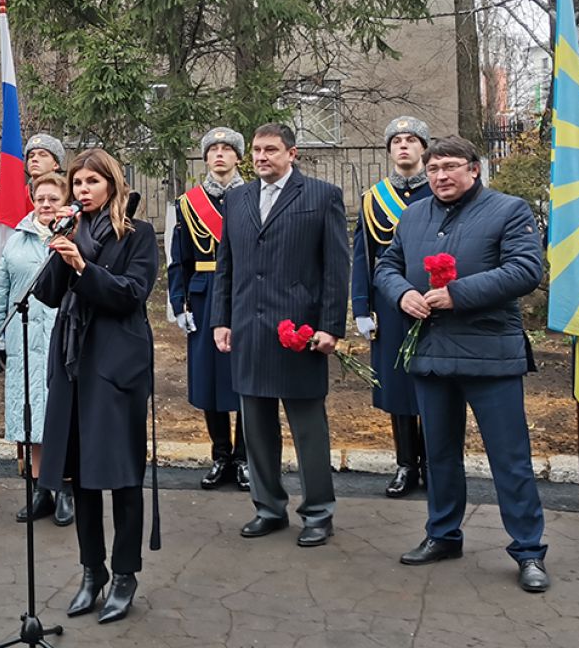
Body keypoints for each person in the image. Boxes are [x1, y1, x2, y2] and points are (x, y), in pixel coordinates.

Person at [374, 136, 548, 593]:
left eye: (450, 167)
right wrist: (401, 293)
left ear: (475, 169)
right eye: (433, 169)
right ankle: (443, 534)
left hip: (490, 356)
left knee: (510, 460)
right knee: (441, 455)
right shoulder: (413, 216)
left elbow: (526, 270)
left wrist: (458, 294)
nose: (440, 176)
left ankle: (528, 550)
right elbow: (386, 266)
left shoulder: (509, 210)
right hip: (431, 356)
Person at [34, 148, 159, 625]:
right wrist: (63, 252)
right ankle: (92, 571)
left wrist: (85, 268)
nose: (83, 190)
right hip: (73, 365)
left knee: (122, 473)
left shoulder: (138, 235)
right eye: (77, 183)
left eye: (92, 182)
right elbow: (47, 295)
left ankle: (125, 574)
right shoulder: (72, 230)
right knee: (81, 473)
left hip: (117, 366)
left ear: (112, 185)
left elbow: (131, 293)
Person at [212, 123, 349, 548]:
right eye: (256, 150)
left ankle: (318, 513)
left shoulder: (321, 196)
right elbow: (226, 265)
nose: (261, 157)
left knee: (308, 429)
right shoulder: (237, 198)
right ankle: (268, 507)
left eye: (271, 149)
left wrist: (330, 327)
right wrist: (222, 318)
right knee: (255, 427)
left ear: (292, 154)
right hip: (249, 331)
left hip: (300, 333)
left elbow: (335, 267)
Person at [0, 172, 74, 526]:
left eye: (54, 198)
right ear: (32, 199)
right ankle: (41, 491)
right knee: (31, 416)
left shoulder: (74, 234)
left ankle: (65, 488)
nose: (47, 204)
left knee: (60, 417)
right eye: (41, 198)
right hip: (23, 342)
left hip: (60, 339)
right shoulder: (16, 240)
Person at [352, 117, 432, 497]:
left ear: (423, 148)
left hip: (434, 300)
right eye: (396, 141)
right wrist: (361, 308)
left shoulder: (440, 190)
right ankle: (406, 464)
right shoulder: (373, 198)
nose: (403, 146)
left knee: (434, 383)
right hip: (388, 304)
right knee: (398, 385)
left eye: (411, 140)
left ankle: (434, 463)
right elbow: (362, 257)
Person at [168, 127, 248, 491]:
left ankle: (245, 458)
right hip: (204, 295)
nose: (219, 154)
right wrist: (178, 304)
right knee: (210, 380)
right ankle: (220, 455)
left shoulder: (254, 196)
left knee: (247, 378)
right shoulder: (188, 203)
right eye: (213, 149)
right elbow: (179, 260)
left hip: (247, 295)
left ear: (238, 157)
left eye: (226, 149)